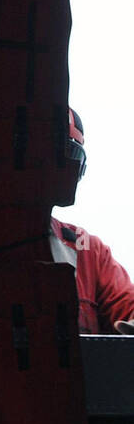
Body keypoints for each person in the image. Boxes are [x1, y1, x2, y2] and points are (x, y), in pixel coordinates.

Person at [51, 109, 134, 334]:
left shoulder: (87, 249)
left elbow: (126, 307)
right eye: (57, 154)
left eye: (72, 157)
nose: (63, 168)